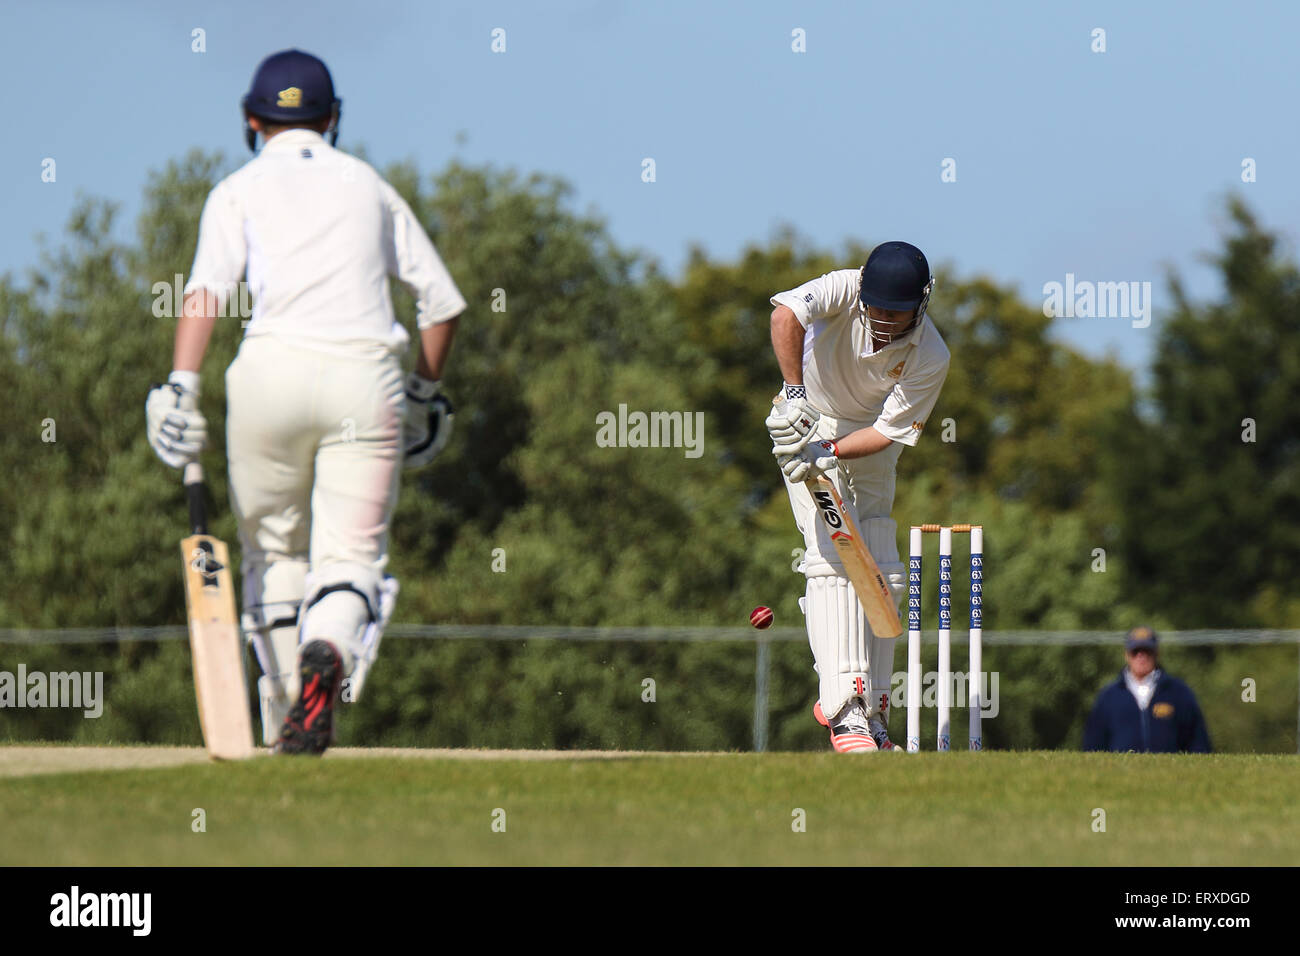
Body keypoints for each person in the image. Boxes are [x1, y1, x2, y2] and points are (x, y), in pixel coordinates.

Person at [145, 49, 466, 755]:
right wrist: (422, 392)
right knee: (350, 559)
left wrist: (180, 385)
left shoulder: (237, 189)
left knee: (271, 553)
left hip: (267, 378)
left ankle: (290, 705)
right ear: (333, 117)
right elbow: (441, 305)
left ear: (251, 120)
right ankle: (329, 652)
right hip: (364, 381)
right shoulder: (368, 185)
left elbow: (206, 292)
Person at [766, 242, 950, 752]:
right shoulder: (845, 287)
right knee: (834, 551)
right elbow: (785, 315)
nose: (884, 321)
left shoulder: (931, 354)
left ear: (921, 303)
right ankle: (844, 707)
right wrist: (795, 397)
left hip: (866, 439)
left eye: (897, 312)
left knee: (882, 560)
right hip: (805, 420)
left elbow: (889, 432)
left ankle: (874, 712)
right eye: (877, 309)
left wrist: (830, 450)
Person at [1083, 626, 1212, 753]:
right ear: (1126, 655)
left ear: (1157, 653)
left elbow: (1198, 742)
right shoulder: (1109, 696)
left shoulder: (1178, 692)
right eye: (1135, 651)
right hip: (1120, 767)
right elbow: (1093, 745)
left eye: (1147, 651)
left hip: (1169, 767)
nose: (1141, 656)